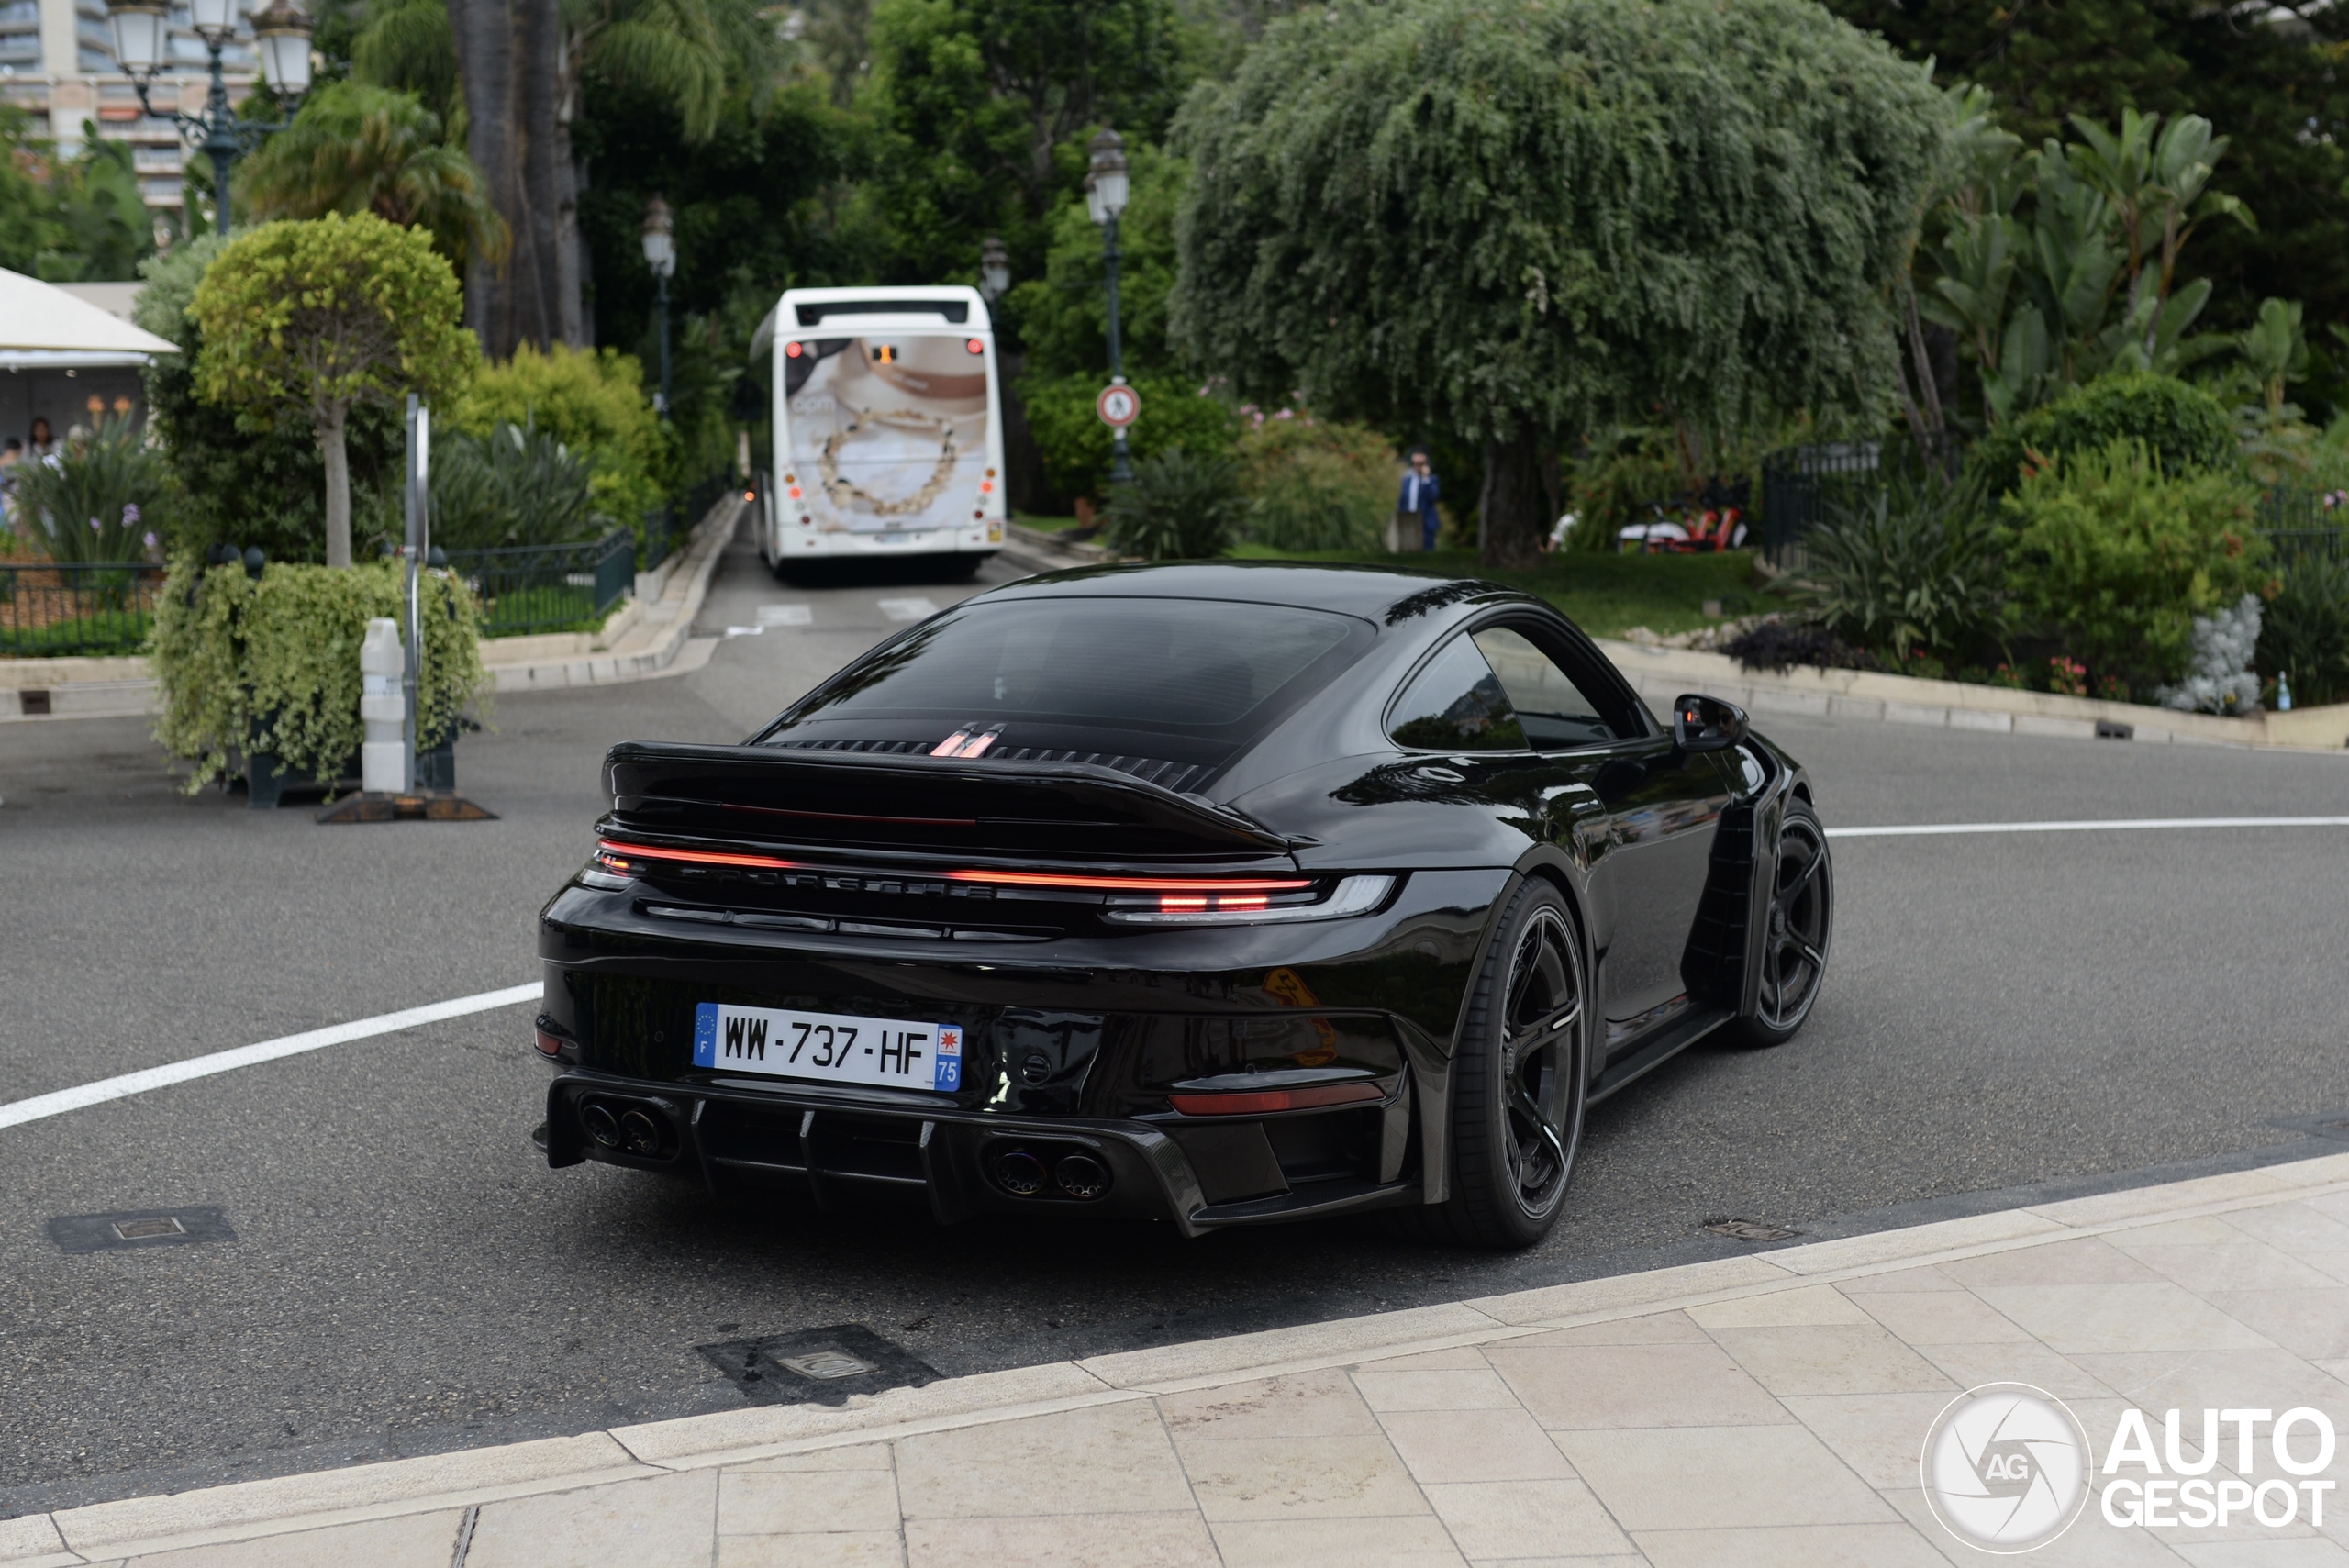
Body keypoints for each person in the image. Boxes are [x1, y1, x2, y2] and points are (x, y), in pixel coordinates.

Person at [1397, 449, 1442, 551]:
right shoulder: (1407, 480)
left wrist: (1426, 478)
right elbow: (1402, 500)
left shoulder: (1432, 479)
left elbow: (1433, 496)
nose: (1418, 466)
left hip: (1426, 522)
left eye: (1421, 463)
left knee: (1428, 551)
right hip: (1409, 521)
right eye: (1415, 463)